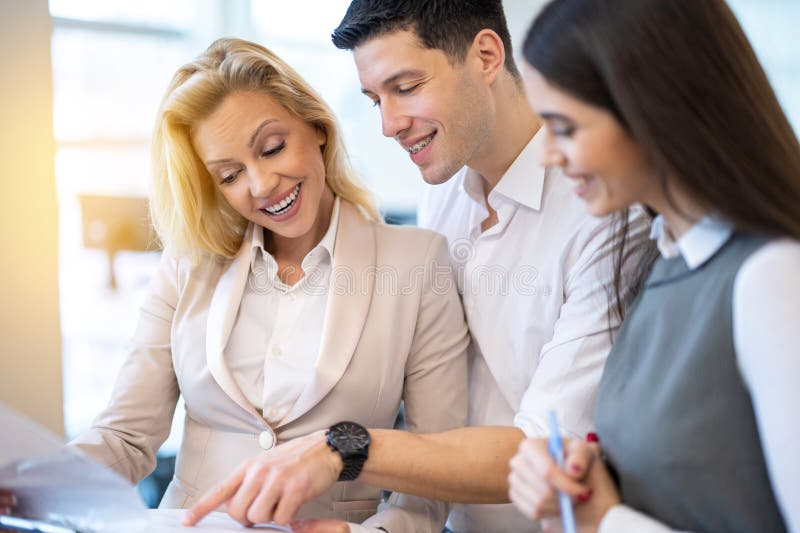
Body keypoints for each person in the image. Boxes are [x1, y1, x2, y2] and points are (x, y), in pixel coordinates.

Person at [184, 2, 651, 532]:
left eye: (405, 88)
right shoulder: (444, 190)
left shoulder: (605, 214)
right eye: (374, 98)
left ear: (487, 56)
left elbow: (544, 448)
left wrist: (340, 450)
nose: (388, 124)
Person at [67, 37, 471, 533]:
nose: (260, 186)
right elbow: (124, 438)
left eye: (272, 148)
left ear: (316, 126)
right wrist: (35, 488)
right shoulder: (189, 264)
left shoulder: (417, 262)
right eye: (230, 175)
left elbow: (436, 469)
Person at [507, 0, 800, 531]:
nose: (548, 154)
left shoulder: (771, 276)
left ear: (653, 110)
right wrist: (596, 476)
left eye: (564, 128)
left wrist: (607, 520)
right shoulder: (664, 262)